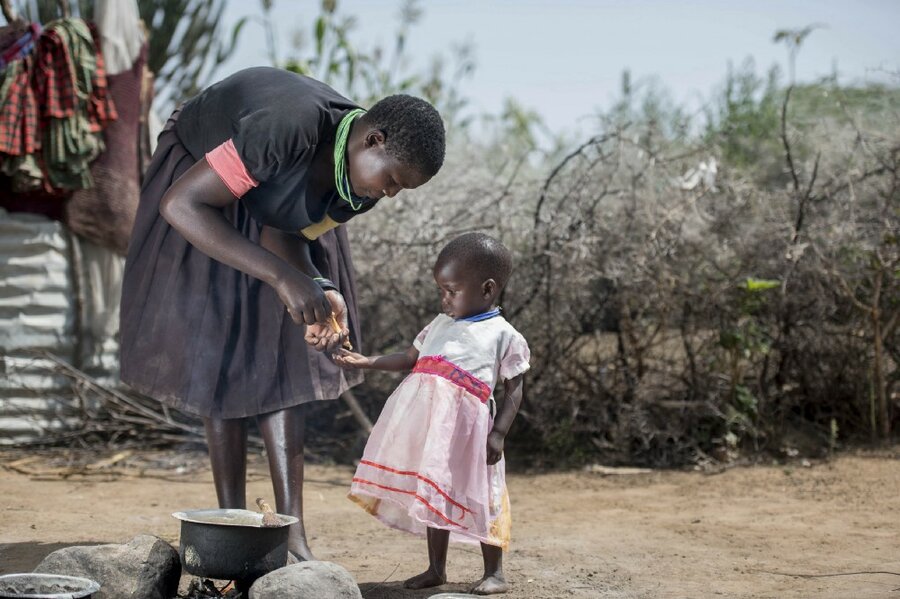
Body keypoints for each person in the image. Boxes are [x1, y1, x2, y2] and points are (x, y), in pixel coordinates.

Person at [119, 66, 445, 562]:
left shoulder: (359, 182)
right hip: (202, 182)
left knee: (286, 355)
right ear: (373, 140)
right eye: (394, 181)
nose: (391, 194)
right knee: (220, 347)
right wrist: (281, 277)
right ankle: (229, 526)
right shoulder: (285, 127)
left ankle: (291, 535)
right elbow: (183, 205)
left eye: (402, 189)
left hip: (260, 185)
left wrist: (318, 285)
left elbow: (285, 232)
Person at [334, 232, 530, 595]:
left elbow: (514, 388)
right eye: (441, 290)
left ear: (487, 290)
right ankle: (435, 569)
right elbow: (409, 359)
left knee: (484, 496)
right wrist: (365, 361)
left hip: (472, 435)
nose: (444, 299)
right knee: (434, 492)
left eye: (451, 291)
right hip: (432, 430)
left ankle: (495, 573)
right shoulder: (438, 325)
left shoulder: (504, 335)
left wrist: (499, 433)